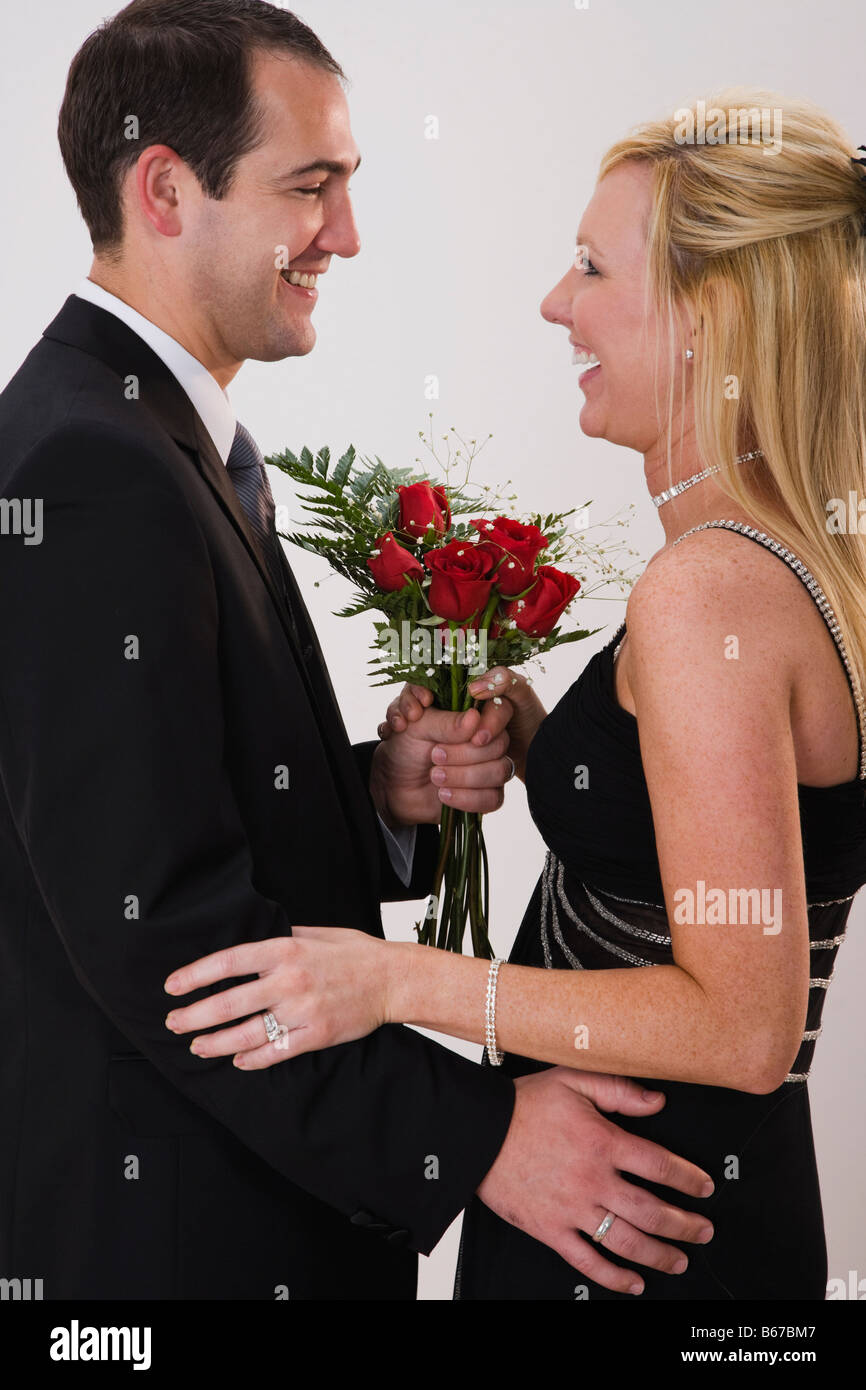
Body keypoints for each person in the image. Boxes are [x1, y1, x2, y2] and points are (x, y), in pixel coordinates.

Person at [0, 0, 713, 1300]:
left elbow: (159, 811)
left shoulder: (158, 434)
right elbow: (168, 941)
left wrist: (374, 796)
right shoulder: (95, 464)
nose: (347, 234)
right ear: (166, 189)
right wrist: (477, 1133)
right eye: (310, 187)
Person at [166, 88, 866, 1299]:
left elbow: (746, 1029)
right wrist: (549, 742)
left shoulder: (706, 594)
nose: (555, 301)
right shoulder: (795, 563)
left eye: (591, 266)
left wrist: (395, 980)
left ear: (714, 313)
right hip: (670, 1203)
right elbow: (707, 862)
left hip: (640, 1222)